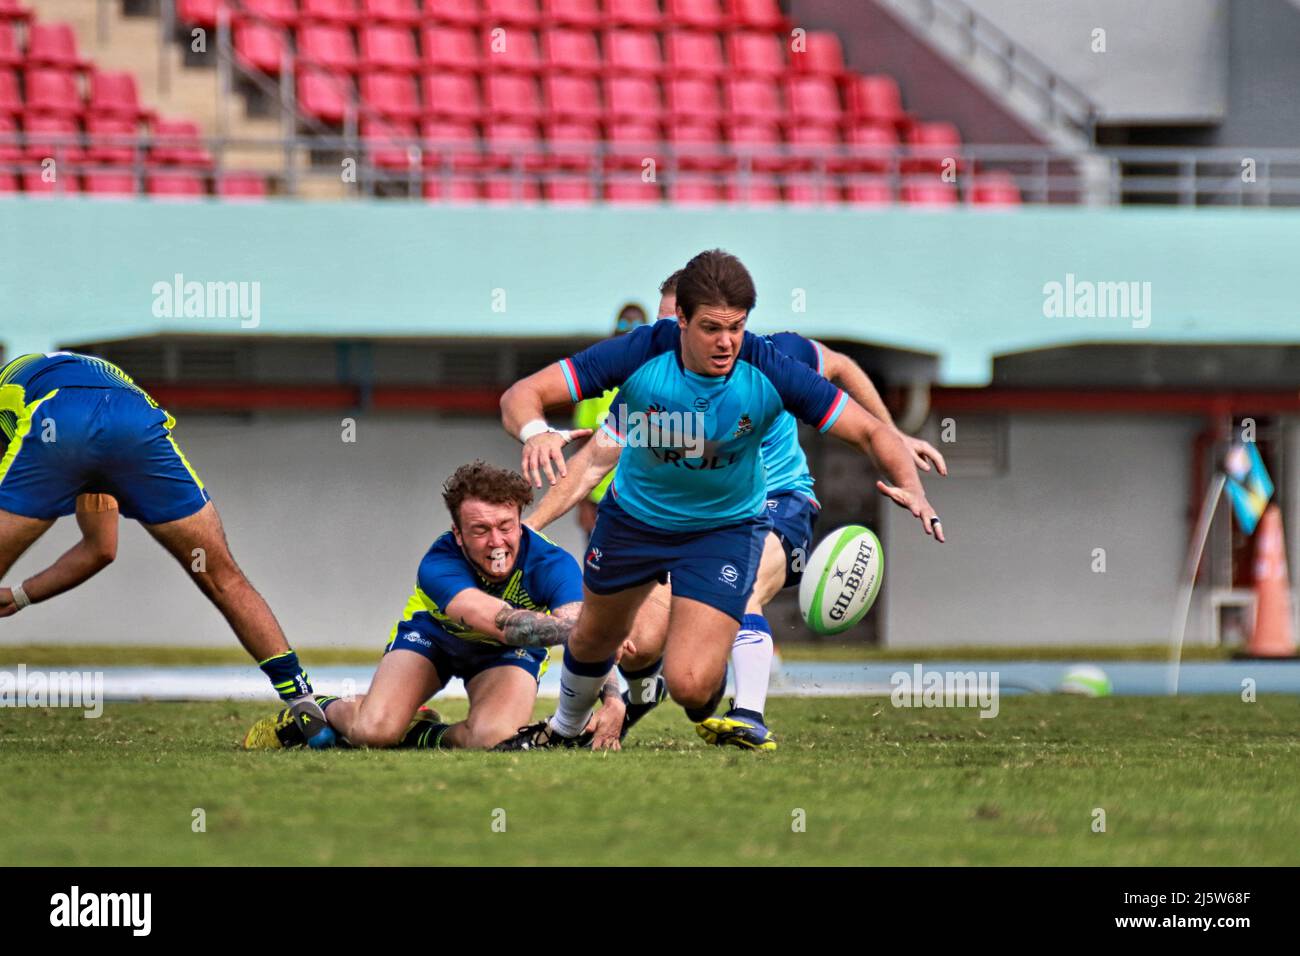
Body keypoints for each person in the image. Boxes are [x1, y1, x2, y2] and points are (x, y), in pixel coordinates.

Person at [496, 249, 944, 751]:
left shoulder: (775, 362)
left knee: (693, 685)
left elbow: (866, 430)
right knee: (621, 642)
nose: (726, 341)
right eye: (709, 327)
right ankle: (564, 728)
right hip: (636, 521)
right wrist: (535, 440)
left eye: (736, 326)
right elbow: (550, 419)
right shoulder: (640, 356)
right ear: (678, 321)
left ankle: (741, 709)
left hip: (732, 525)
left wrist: (908, 472)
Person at [0, 351, 333, 745]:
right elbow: (100, 548)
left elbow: (94, 541)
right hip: (135, 420)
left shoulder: (12, 394)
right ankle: (304, 702)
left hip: (60, 415)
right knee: (223, 576)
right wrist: (20, 596)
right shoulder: (76, 378)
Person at [242, 461, 628, 751]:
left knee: (493, 738)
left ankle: (420, 730)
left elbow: (583, 632)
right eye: (480, 530)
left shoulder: (552, 562)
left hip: (506, 654)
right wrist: (588, 631)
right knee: (374, 731)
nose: (497, 542)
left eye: (506, 526)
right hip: (433, 637)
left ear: (520, 521)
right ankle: (321, 706)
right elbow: (502, 622)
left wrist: (612, 698)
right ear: (458, 535)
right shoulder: (438, 563)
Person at [571, 301, 650, 538]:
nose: (629, 328)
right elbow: (580, 444)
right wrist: (583, 502)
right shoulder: (598, 382)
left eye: (636, 324)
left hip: (643, 498)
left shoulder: (656, 379)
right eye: (624, 322)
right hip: (600, 499)